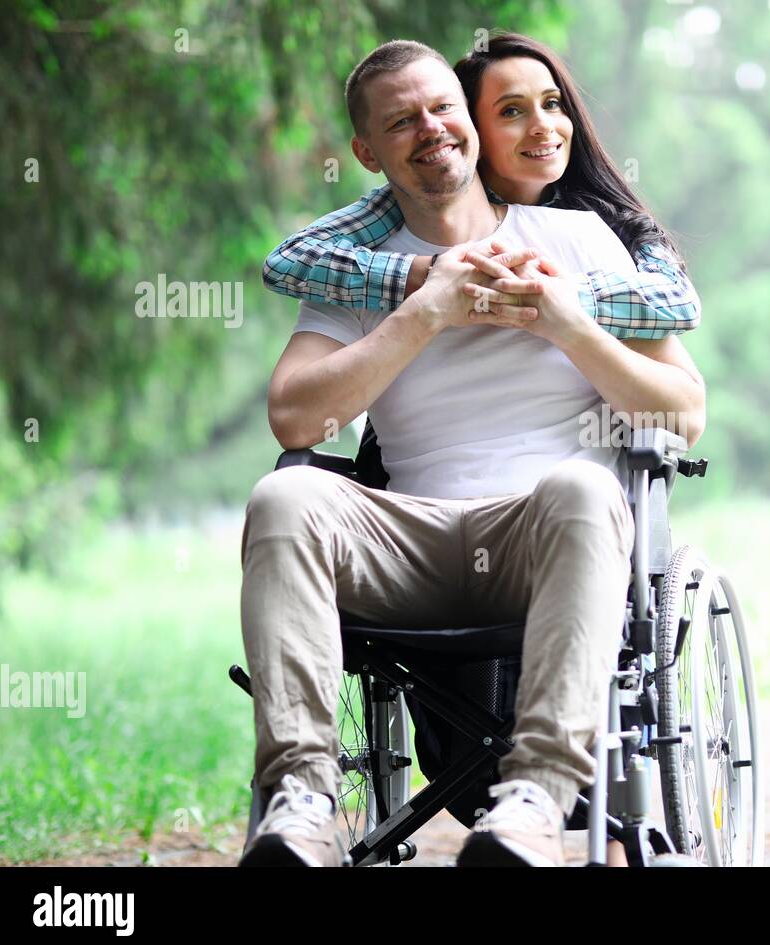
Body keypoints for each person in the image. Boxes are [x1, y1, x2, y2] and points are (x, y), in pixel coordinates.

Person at [237, 38, 705, 868]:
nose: (430, 130)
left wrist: (567, 322)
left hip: (543, 532)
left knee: (584, 489)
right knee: (286, 498)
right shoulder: (362, 272)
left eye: (443, 109)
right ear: (367, 151)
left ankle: (535, 799)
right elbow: (295, 420)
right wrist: (428, 309)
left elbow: (685, 413)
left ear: (472, 125)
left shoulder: (578, 239)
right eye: (401, 122)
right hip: (406, 540)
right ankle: (302, 799)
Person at [261, 32, 699, 342]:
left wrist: (541, 294)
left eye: (552, 104)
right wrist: (427, 276)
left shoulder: (605, 223)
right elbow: (290, 259)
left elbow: (678, 303)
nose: (544, 126)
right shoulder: (414, 206)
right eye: (511, 112)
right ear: (471, 124)